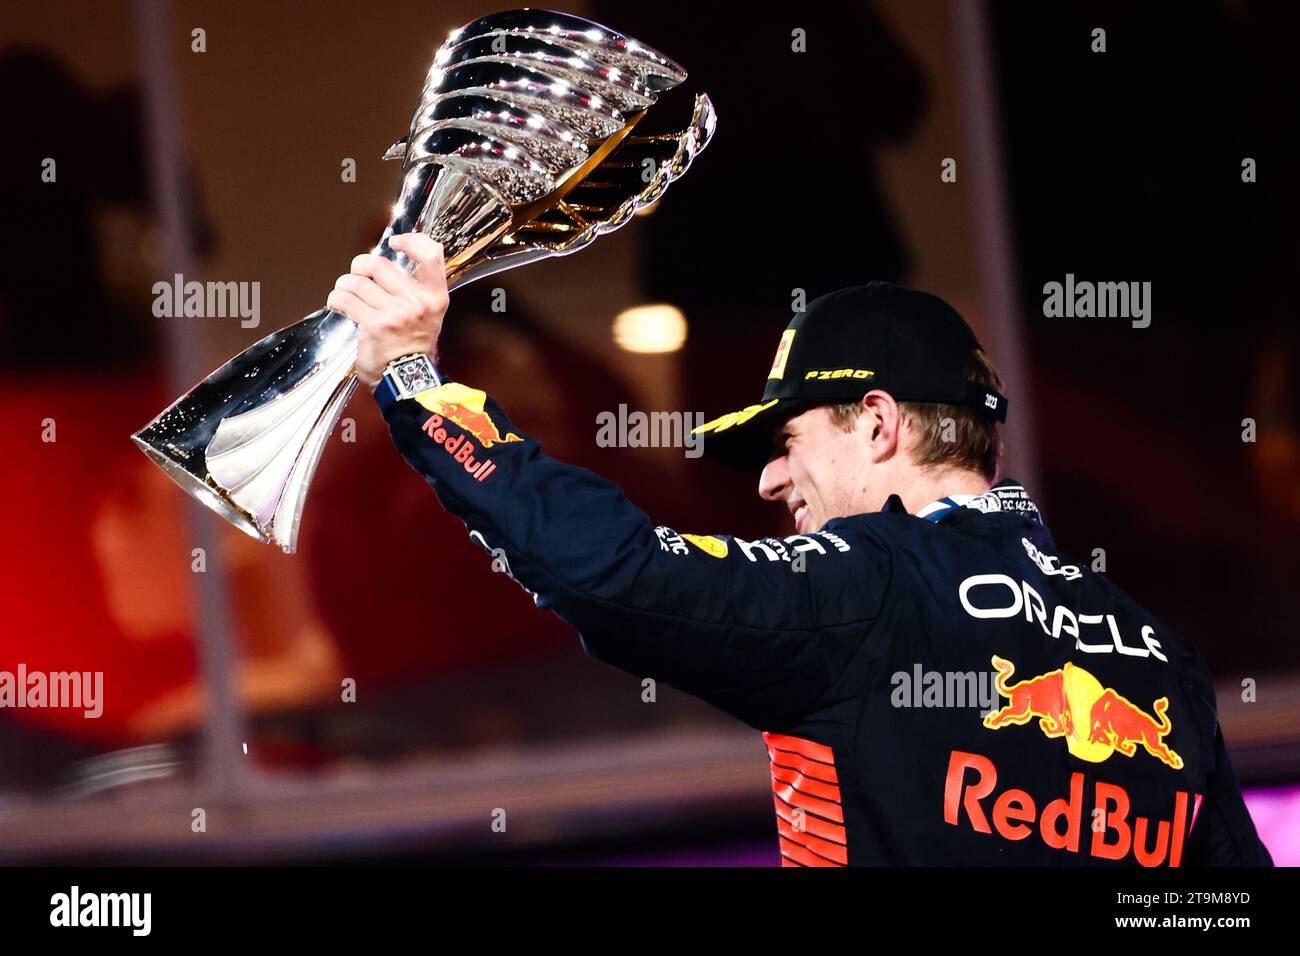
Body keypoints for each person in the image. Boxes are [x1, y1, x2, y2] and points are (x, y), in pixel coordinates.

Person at [328, 232, 1273, 867]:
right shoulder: (1160, 656)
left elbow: (615, 570)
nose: (772, 485)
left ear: (876, 425)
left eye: (786, 443)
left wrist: (413, 381)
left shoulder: (872, 585)